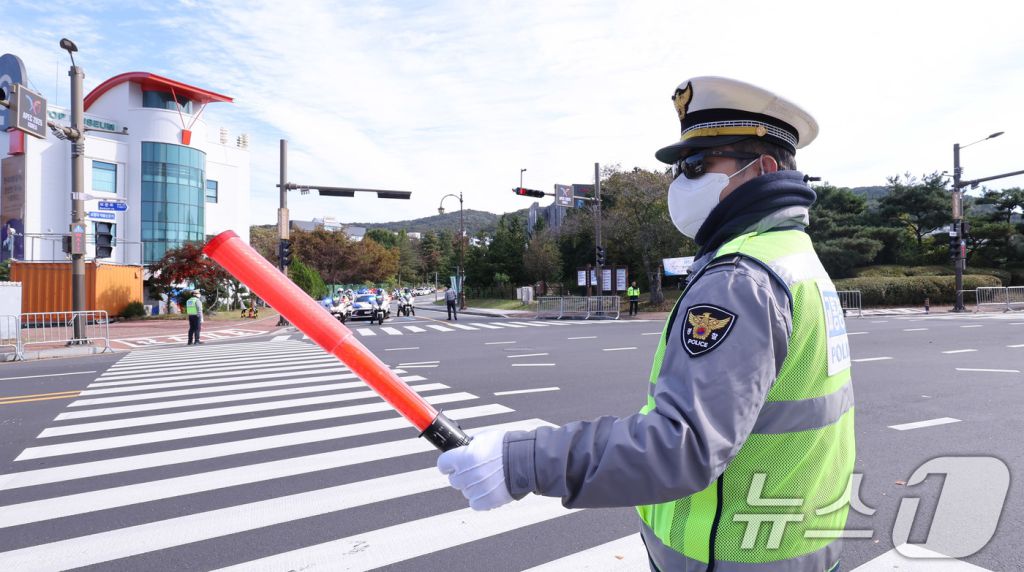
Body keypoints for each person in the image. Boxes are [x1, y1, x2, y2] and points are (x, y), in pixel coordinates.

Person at [437, 77, 855, 572]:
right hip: (787, 546)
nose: (680, 182)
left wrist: (522, 460)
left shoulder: (740, 280)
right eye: (679, 170)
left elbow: (681, 446)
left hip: (730, 557)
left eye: (698, 166)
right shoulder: (792, 255)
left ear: (761, 169)